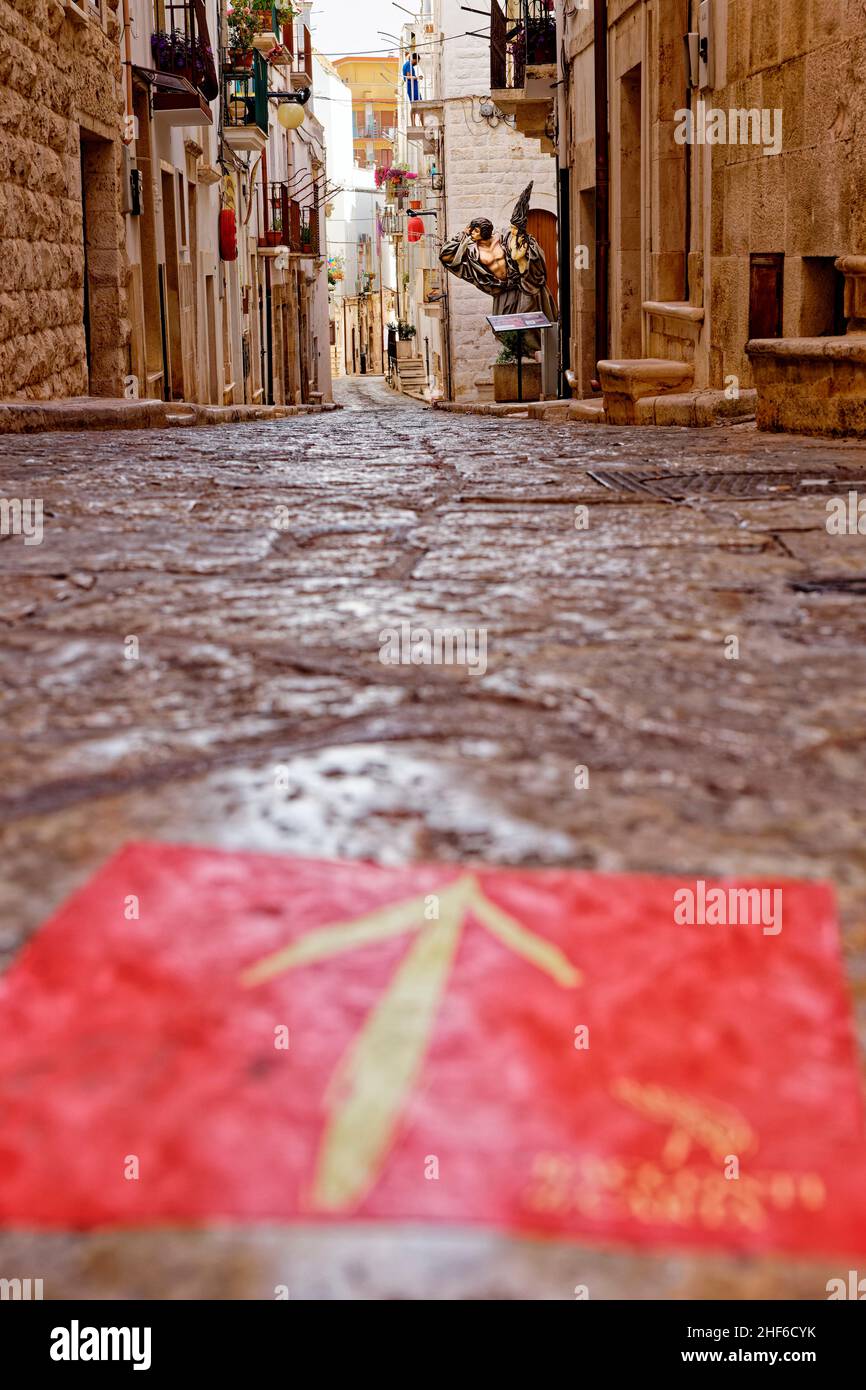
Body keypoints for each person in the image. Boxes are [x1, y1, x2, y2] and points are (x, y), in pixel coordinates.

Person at [438, 182, 556, 353]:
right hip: (502, 292)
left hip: (521, 285)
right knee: (504, 329)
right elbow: (446, 256)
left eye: (474, 230)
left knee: (529, 321)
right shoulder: (472, 251)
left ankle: (537, 354)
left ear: (483, 230)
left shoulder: (504, 238)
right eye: (471, 230)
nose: (471, 233)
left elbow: (528, 251)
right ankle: (521, 356)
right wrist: (462, 235)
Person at [402, 52, 422, 125]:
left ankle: (418, 123)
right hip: (412, 88)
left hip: (413, 87)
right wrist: (417, 77)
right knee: (416, 105)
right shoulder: (408, 65)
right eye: (417, 61)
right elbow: (408, 76)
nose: (417, 63)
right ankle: (414, 123)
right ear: (414, 59)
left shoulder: (408, 65)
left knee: (418, 105)